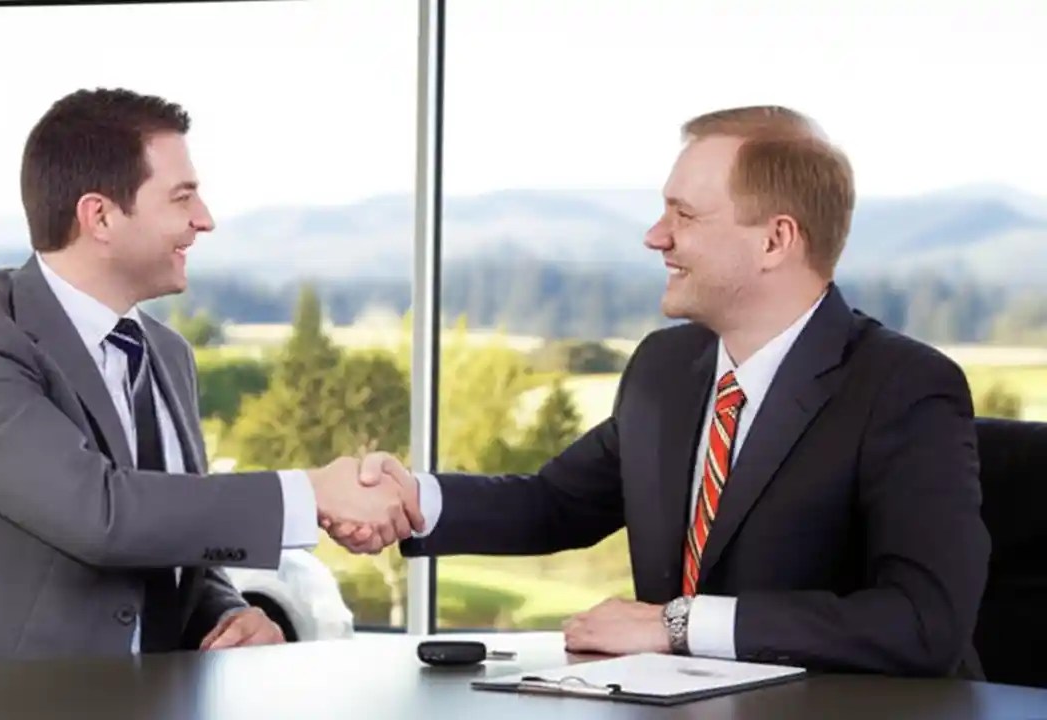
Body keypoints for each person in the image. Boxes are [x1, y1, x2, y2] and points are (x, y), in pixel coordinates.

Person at [335, 106, 991, 677]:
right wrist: (413, 499)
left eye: (685, 214)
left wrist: (677, 625)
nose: (656, 235)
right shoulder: (664, 367)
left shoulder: (904, 388)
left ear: (775, 240)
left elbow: (922, 621)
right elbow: (553, 504)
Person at [0, 88, 420, 671]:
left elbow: (172, 545)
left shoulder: (167, 354)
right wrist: (309, 493)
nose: (204, 220)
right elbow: (99, 515)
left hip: (142, 698)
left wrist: (225, 613)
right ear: (100, 215)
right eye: (182, 197)